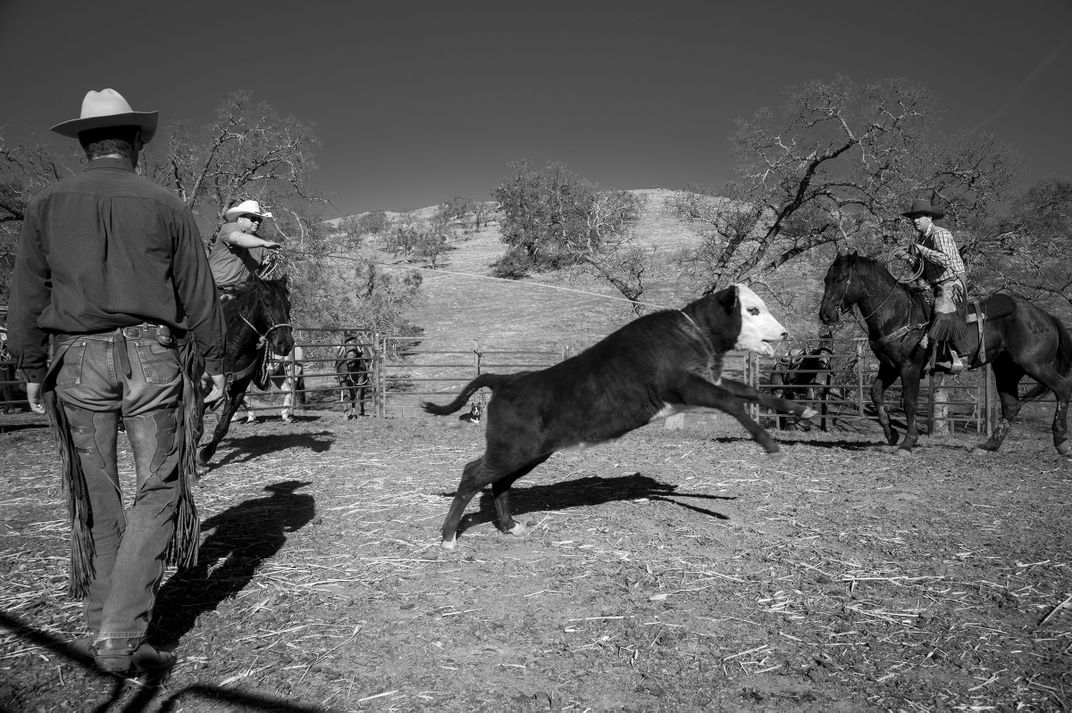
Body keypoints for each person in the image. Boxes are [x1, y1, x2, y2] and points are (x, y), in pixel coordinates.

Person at [7, 88, 227, 674]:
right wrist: (215, 362)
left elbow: (27, 293)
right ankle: (120, 633)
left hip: (75, 362)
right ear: (135, 143)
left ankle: (104, 622)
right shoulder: (167, 204)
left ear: (84, 144)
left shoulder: (45, 205)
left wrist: (30, 368)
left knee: (97, 491)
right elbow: (198, 290)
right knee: (158, 488)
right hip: (151, 358)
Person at [896, 197, 968, 373]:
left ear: (929, 217)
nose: (915, 221)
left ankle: (957, 356)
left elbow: (945, 260)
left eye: (918, 217)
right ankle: (924, 354)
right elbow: (921, 267)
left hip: (952, 281)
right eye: (913, 218)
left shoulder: (939, 234)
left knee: (943, 311)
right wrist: (907, 257)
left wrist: (920, 249)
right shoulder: (922, 239)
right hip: (934, 284)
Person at [208, 199, 282, 297]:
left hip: (238, 296)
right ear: (240, 219)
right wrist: (265, 243)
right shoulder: (229, 228)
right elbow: (238, 239)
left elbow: (262, 271)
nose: (257, 222)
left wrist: (271, 260)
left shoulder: (260, 244)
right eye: (253, 219)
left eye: (259, 220)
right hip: (212, 289)